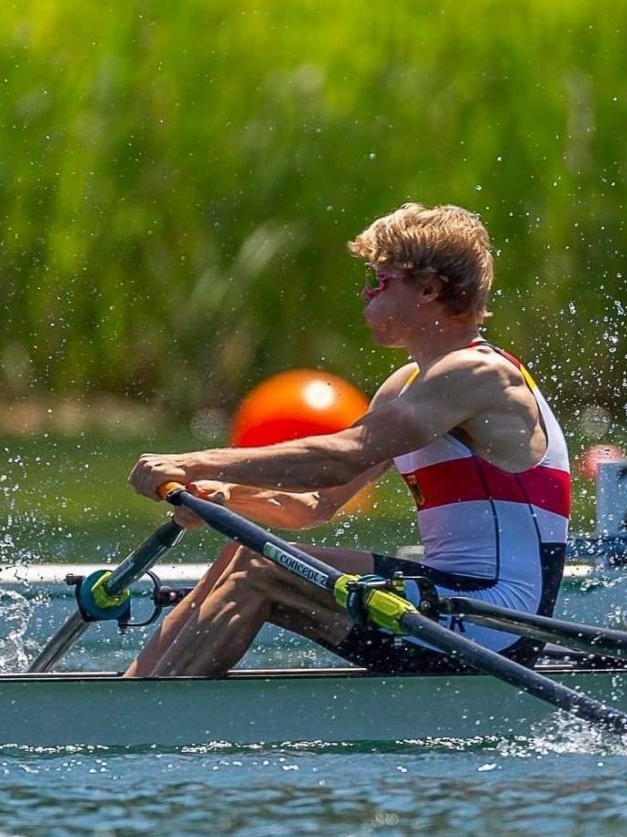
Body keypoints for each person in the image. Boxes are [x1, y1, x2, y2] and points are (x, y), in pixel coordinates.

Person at [125, 203, 570, 677]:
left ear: (428, 289)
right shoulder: (405, 385)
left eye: (380, 281)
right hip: (450, 598)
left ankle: (148, 721)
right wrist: (229, 497)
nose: (365, 292)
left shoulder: (480, 373)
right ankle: (136, 691)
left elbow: (341, 458)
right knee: (243, 550)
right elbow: (316, 502)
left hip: (500, 621)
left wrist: (196, 463)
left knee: (261, 570)